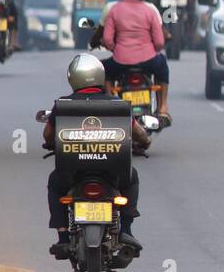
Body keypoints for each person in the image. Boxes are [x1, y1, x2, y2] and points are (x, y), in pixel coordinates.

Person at [43, 54, 148, 257]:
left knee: (55, 183)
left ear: (73, 78)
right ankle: (126, 229)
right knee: (132, 177)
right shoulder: (117, 104)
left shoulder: (63, 105)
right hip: (112, 174)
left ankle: (63, 235)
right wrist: (145, 141)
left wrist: (50, 143)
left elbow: (48, 134)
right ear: (100, 76)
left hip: (72, 174)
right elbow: (138, 132)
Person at [100, 0, 172, 124]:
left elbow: (107, 39)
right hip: (149, 61)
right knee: (163, 67)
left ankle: (109, 104)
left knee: (103, 69)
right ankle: (163, 108)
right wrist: (153, 50)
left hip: (120, 61)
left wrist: (115, 48)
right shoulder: (150, 11)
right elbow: (159, 42)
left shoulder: (115, 10)